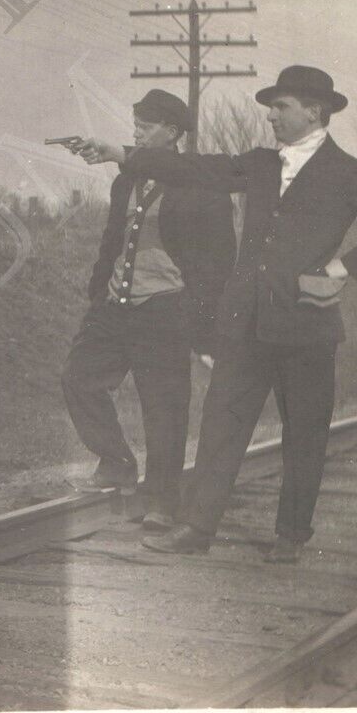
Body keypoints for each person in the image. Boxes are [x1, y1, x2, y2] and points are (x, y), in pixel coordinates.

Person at [73, 66, 357, 562]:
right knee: (220, 426)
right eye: (271, 107)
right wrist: (124, 154)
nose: (271, 115)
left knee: (304, 433)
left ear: (313, 112)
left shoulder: (351, 173)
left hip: (305, 326)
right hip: (245, 323)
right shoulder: (259, 164)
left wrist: (339, 270)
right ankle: (196, 529)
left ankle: (291, 536)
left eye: (281, 106)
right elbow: (198, 170)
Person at [60, 89, 236, 532]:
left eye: (148, 124)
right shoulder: (126, 179)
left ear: (172, 133)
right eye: (136, 121)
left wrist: (201, 321)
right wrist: (99, 288)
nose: (137, 129)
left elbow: (218, 261)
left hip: (166, 309)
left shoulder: (201, 185)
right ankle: (117, 463)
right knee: (79, 377)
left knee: (164, 405)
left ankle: (162, 499)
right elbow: (113, 237)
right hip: (116, 304)